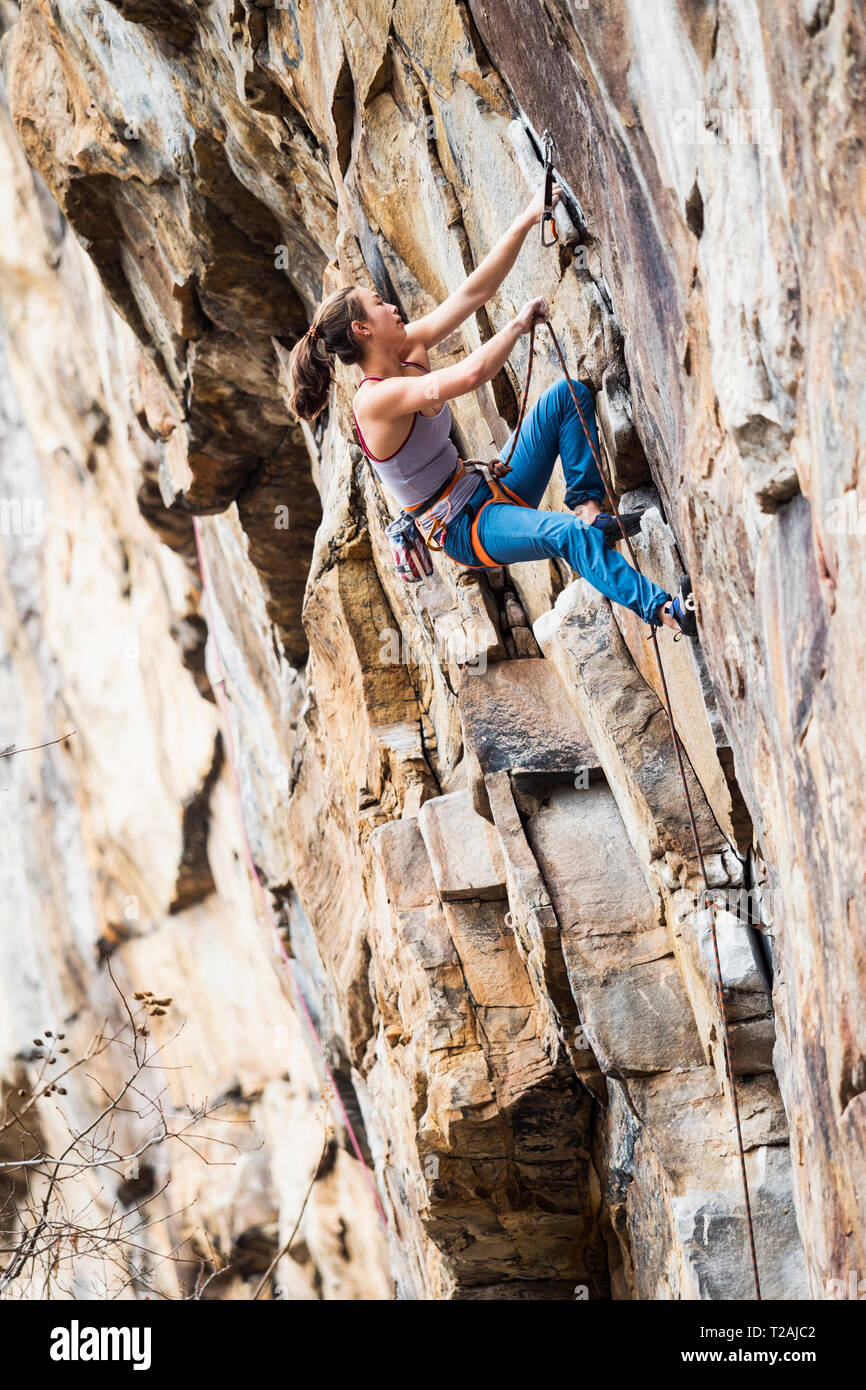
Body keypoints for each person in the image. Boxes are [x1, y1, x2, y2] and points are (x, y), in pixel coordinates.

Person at [286, 186, 694, 636]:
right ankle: (667, 611)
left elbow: (473, 293)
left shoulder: (408, 346)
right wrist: (517, 327)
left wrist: (525, 218)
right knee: (566, 538)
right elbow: (466, 377)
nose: (393, 306)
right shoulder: (373, 400)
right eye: (380, 304)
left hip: (486, 486)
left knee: (569, 397)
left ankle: (590, 510)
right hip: (466, 527)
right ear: (362, 329)